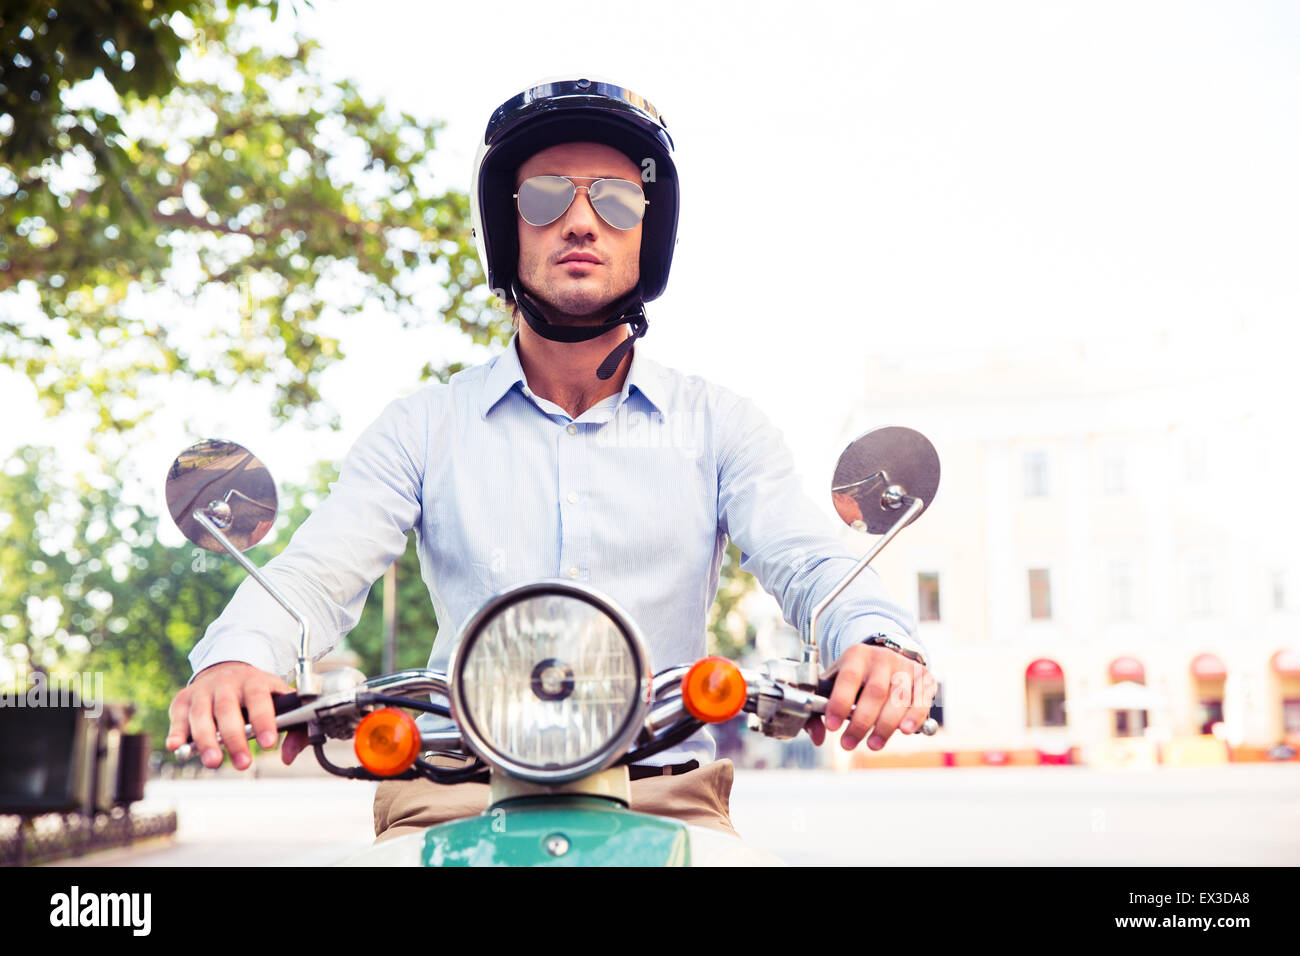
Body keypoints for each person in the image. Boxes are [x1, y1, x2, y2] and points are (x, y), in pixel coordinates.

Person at [166, 76, 937, 841]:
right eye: (543, 198)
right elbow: (318, 568)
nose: (579, 221)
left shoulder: (720, 425)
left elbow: (805, 556)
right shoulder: (423, 426)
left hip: (664, 795)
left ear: (648, 230)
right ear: (509, 231)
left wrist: (876, 640)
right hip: (454, 791)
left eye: (615, 199)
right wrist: (238, 657)